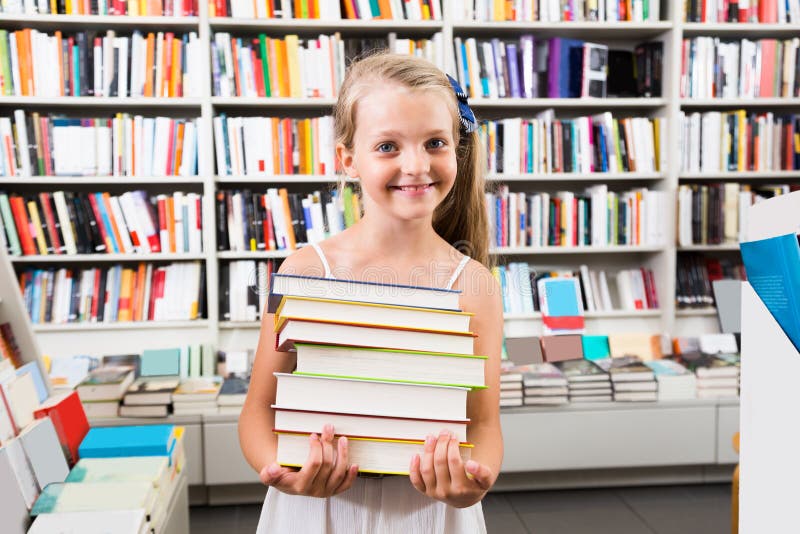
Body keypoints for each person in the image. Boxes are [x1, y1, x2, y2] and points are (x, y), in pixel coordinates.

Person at [238, 52, 503, 533]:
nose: (416, 164)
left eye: (435, 143)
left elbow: (483, 423)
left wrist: (473, 482)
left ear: (456, 151)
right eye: (387, 146)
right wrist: (282, 474)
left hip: (429, 515)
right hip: (316, 512)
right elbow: (258, 410)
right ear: (348, 159)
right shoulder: (303, 270)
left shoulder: (474, 284)